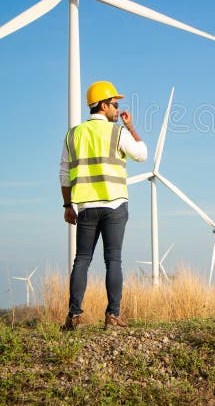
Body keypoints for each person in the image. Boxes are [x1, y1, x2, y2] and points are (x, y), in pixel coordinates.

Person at [60, 80, 147, 330]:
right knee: (114, 260)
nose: (117, 109)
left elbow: (64, 174)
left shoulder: (73, 134)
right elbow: (142, 154)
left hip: (85, 206)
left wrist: (68, 204)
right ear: (102, 105)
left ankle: (74, 316)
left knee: (82, 260)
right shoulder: (117, 132)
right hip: (115, 205)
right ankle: (112, 316)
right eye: (114, 104)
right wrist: (131, 127)